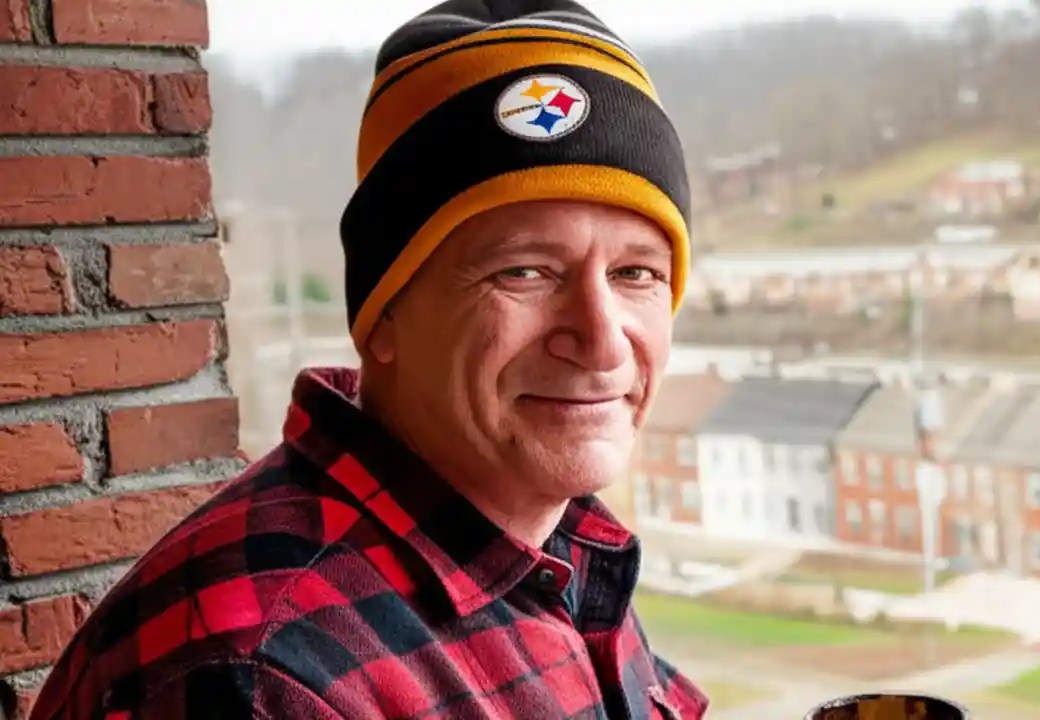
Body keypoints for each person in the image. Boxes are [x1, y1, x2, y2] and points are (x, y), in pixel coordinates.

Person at [29, 1, 706, 717]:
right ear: (382, 312)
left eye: (637, 274)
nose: (601, 341)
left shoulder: (548, 542)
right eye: (525, 273)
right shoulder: (265, 679)